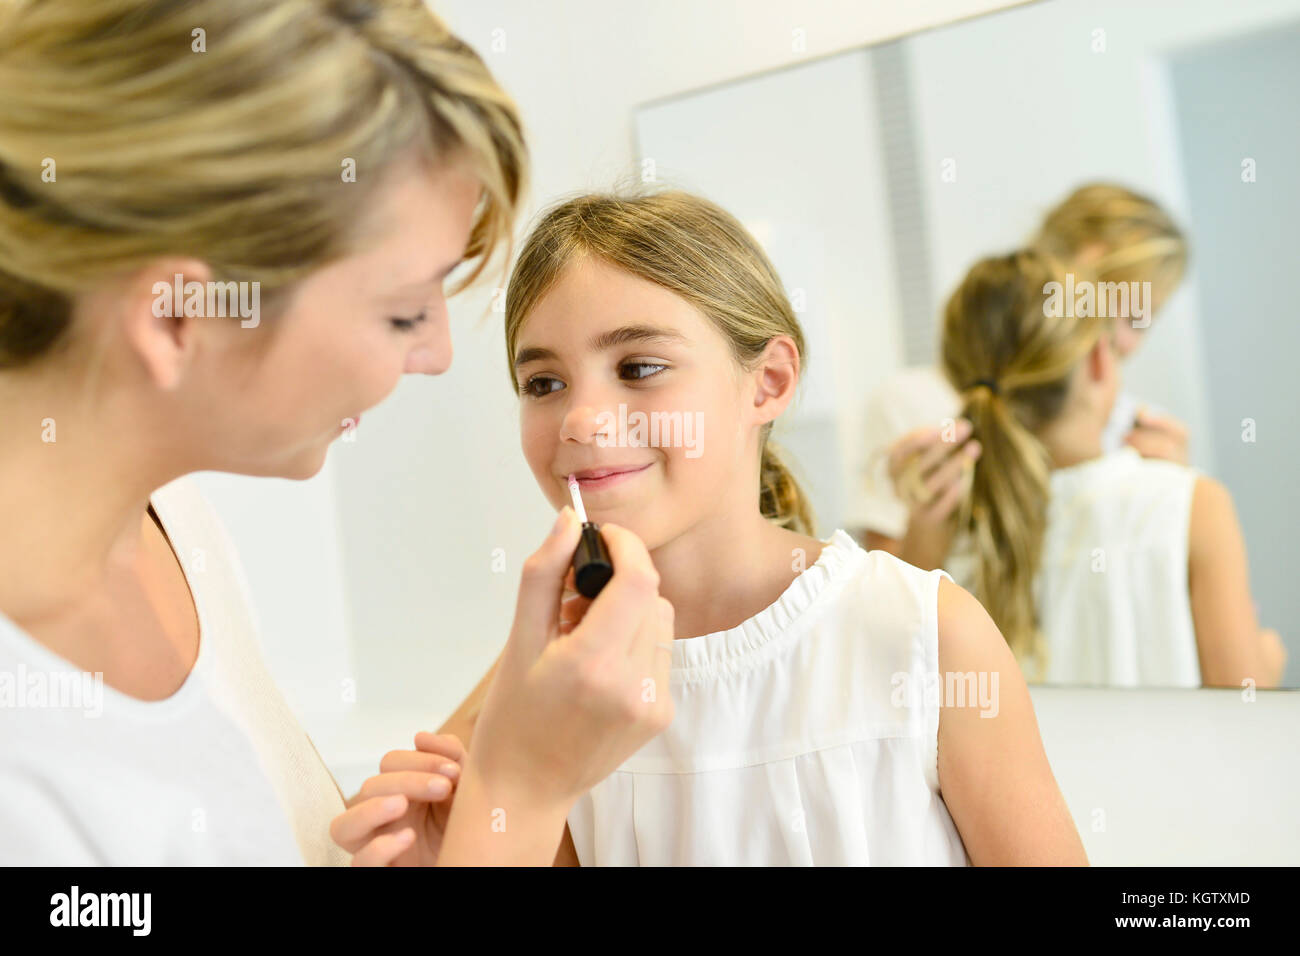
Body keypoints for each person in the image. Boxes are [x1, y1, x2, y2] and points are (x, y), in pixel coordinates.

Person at [0, 0, 671, 866]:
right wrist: (523, 793)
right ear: (174, 316)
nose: (435, 352)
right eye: (400, 313)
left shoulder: (170, 520)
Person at [426, 190, 1087, 865]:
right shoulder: (553, 685)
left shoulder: (923, 634)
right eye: (542, 383)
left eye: (639, 367)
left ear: (768, 382)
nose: (582, 418)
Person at [937, 249, 1285, 688]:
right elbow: (1247, 712)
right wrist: (1268, 653)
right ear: (1100, 357)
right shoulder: (1196, 505)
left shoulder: (952, 532)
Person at [849, 183, 1191, 572]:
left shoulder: (1139, 440)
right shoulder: (912, 407)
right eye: (1095, 294)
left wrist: (1175, 502)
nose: (1112, 335)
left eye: (1139, 318)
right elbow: (886, 616)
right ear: (1039, 268)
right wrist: (927, 532)